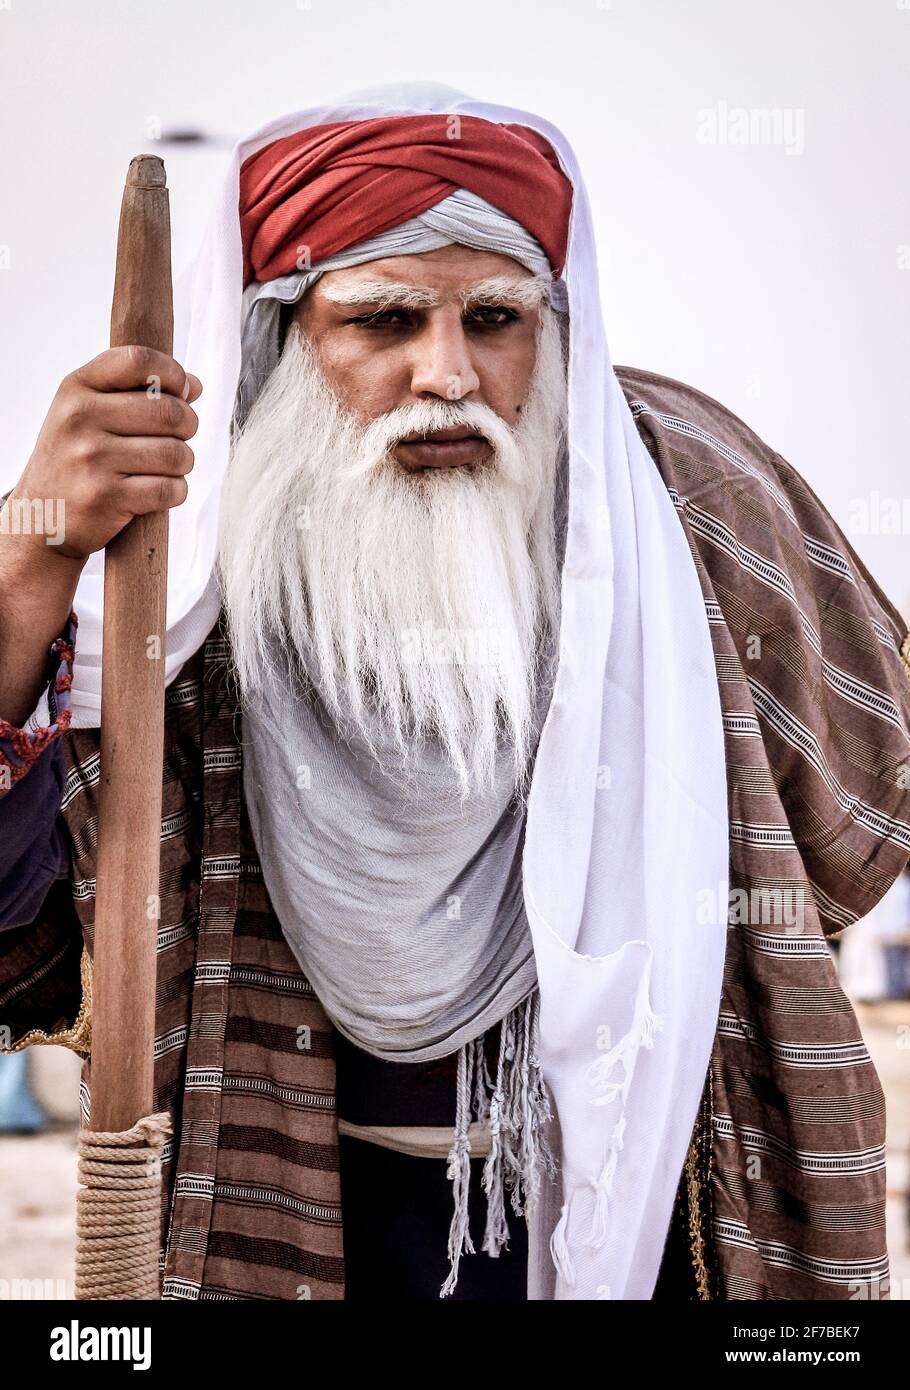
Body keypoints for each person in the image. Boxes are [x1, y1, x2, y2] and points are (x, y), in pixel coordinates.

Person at [1, 82, 909, 1302]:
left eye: (495, 317)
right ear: (279, 339)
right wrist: (32, 556)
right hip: (300, 1191)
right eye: (381, 322)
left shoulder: (686, 501)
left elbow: (860, 804)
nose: (448, 375)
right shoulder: (185, 566)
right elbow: (28, 928)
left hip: (662, 1192)